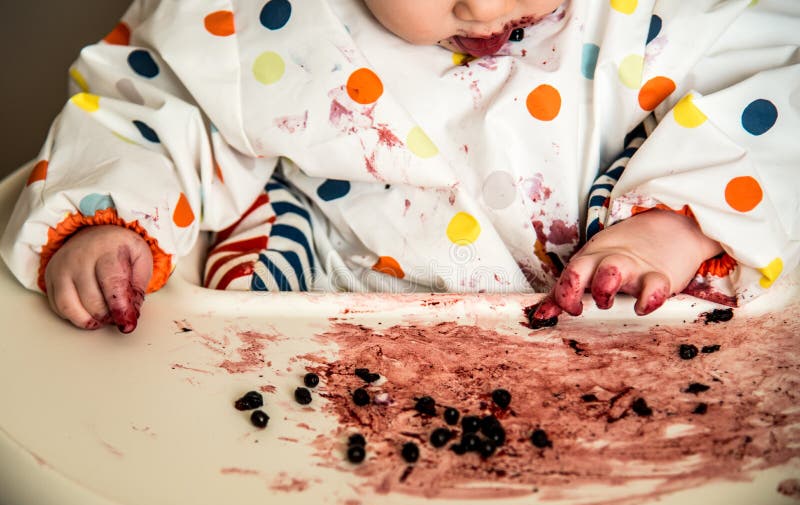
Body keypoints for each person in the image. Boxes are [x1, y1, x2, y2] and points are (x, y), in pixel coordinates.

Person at [1, 0, 797, 333]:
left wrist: (676, 225)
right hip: (341, 347)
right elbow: (155, 104)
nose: (485, 6)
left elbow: (775, 85)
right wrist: (110, 217)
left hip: (633, 342)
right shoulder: (262, 26)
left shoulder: (665, 16)